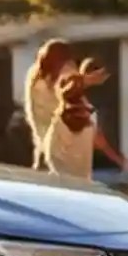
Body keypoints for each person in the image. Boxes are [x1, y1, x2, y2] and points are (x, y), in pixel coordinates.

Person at [24, 39, 110, 171]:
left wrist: (83, 80)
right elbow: (66, 89)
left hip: (43, 154)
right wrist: (87, 80)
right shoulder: (58, 84)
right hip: (61, 157)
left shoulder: (34, 78)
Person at [43, 57, 128, 179]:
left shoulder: (85, 100)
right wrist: (120, 162)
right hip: (74, 167)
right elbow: (98, 140)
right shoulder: (75, 102)